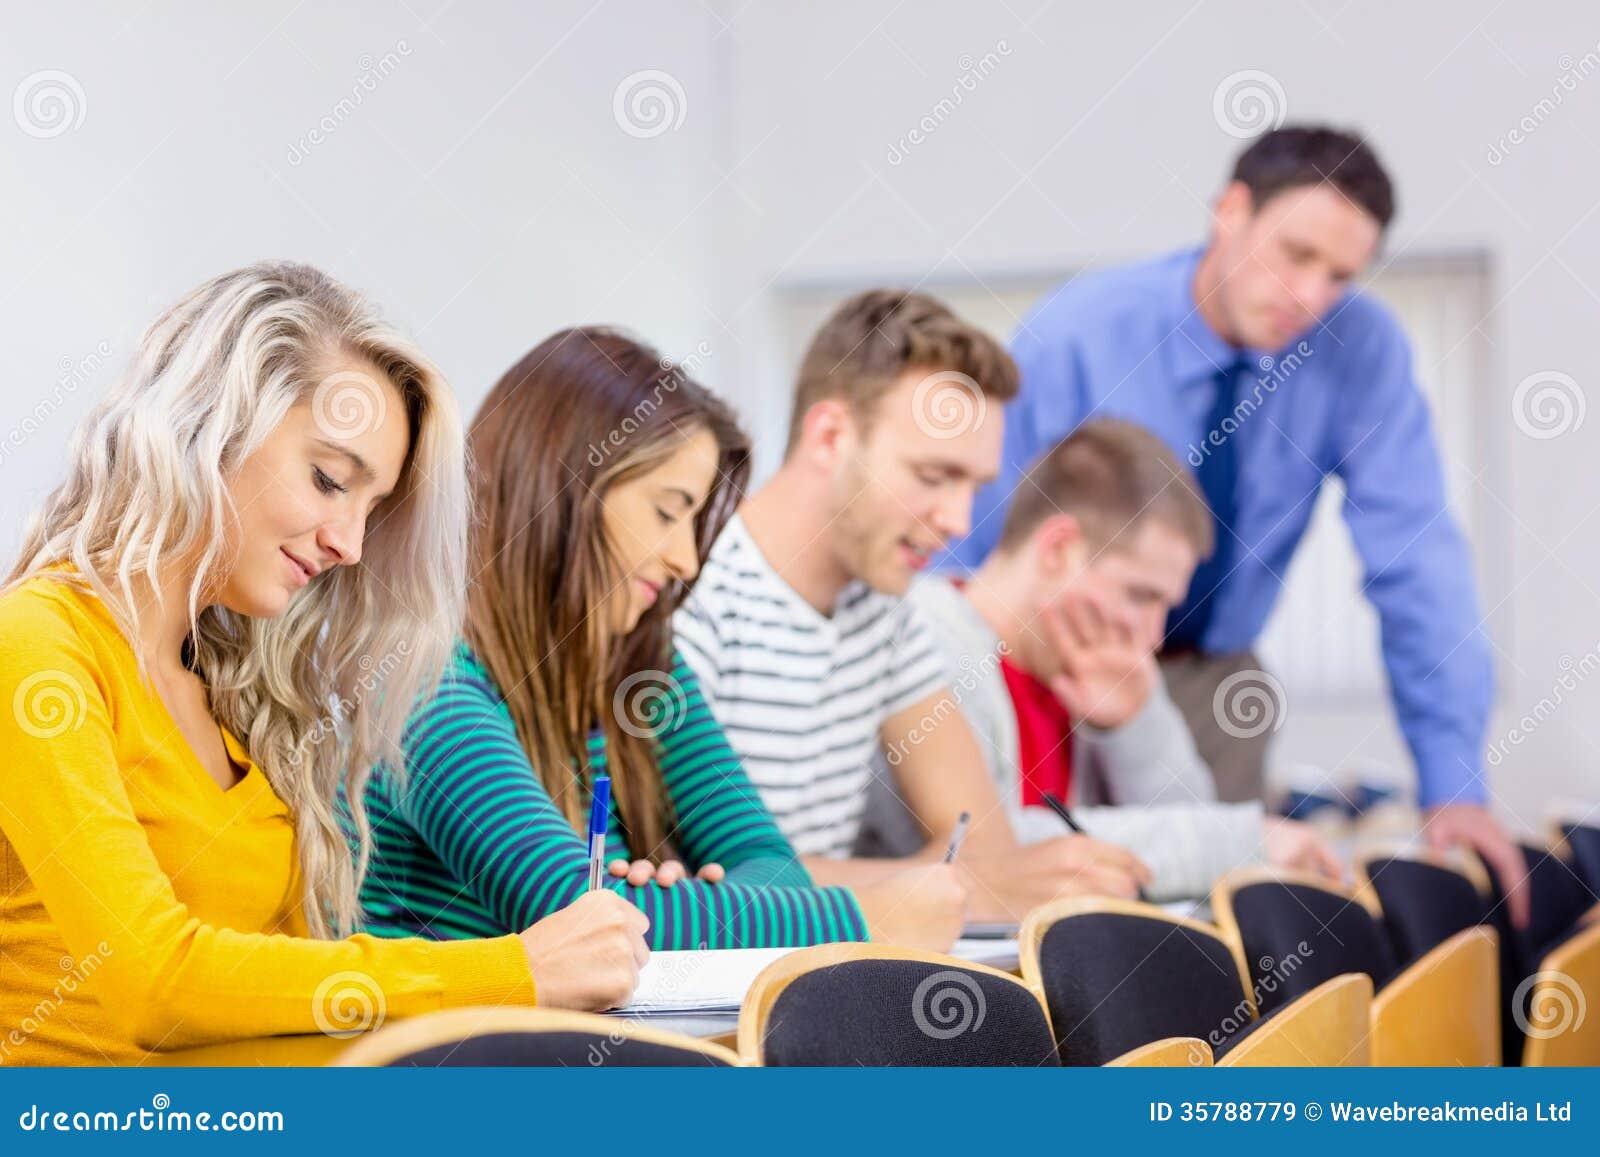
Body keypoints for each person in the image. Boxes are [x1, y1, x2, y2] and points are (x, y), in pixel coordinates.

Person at [0, 264, 647, 1065]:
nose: (352, 543)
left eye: (372, 507)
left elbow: (290, 992)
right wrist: (514, 969)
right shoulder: (37, 644)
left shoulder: (228, 690)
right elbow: (157, 982)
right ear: (214, 425)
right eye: (329, 480)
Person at [946, 125, 1522, 920]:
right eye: (1295, 254)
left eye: (1341, 276)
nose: (1312, 296)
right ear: (1231, 210)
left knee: (1225, 920)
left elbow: (1416, 561)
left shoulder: (1361, 350)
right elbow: (978, 541)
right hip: (1054, 661)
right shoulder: (1080, 332)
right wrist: (948, 674)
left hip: (1219, 675)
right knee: (1061, 903)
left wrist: (1455, 783)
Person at [355, 328, 875, 949]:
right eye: (665, 511)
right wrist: (863, 918)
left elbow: (775, 866)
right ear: (564, 492)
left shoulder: (641, 665)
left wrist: (671, 906)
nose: (685, 559)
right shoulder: (421, 685)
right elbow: (577, 921)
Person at [676, 289, 1150, 938]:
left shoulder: (884, 609)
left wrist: (946, 882)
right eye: (933, 475)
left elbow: (981, 848)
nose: (956, 521)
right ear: (831, 435)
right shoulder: (690, 591)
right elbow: (695, 883)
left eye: (972, 487)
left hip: (821, 973)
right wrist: (945, 886)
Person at [857, 420, 1342, 897]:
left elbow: (1193, 860)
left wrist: (1136, 728)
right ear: (1059, 550)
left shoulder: (1080, 670)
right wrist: (1242, 844)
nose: (1152, 636)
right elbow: (988, 854)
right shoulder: (928, 637)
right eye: (1139, 595)